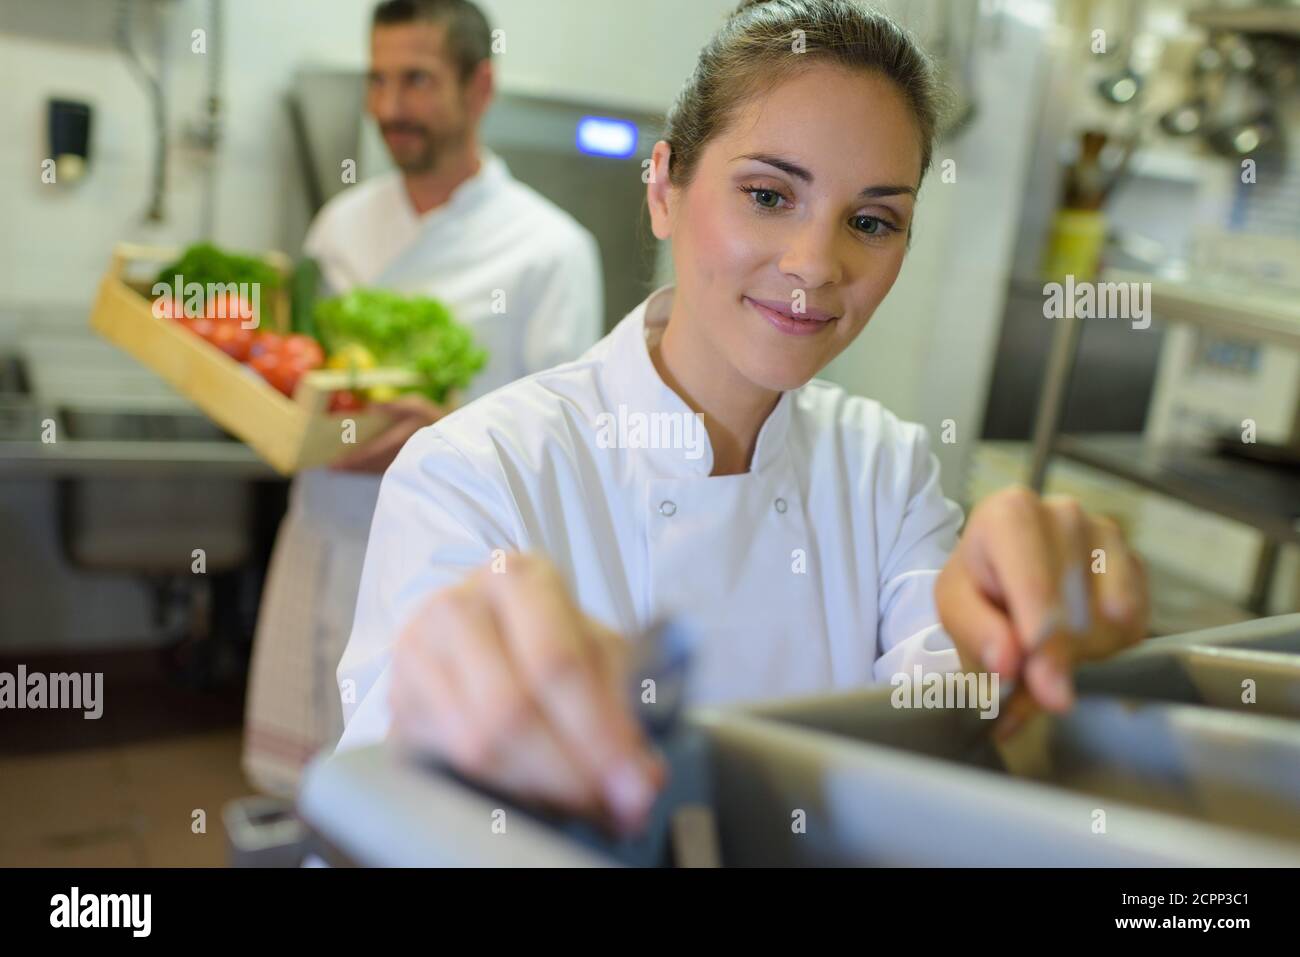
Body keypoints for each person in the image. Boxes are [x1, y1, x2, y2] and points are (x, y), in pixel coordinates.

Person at [337, 0, 1150, 835]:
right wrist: (453, 745)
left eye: (870, 221)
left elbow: (942, 702)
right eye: (768, 195)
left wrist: (1022, 648)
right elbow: (379, 812)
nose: (814, 265)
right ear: (664, 189)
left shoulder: (884, 467)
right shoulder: (478, 468)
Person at [242, 0, 603, 795]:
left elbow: (565, 452)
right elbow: (307, 374)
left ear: (480, 88)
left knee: (414, 803)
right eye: (377, 80)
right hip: (324, 532)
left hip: (445, 570)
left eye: (416, 81)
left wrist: (440, 438)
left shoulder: (549, 251)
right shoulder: (341, 224)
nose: (389, 109)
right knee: (307, 791)